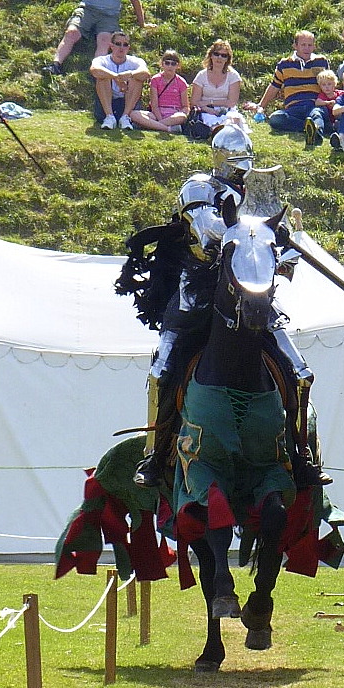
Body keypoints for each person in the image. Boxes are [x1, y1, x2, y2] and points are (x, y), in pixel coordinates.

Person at [126, 119, 319, 491]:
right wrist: (257, 230)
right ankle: (156, 454)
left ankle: (300, 454)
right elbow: (211, 232)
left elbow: (282, 247)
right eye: (237, 165)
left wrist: (283, 243)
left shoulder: (257, 197)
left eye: (246, 166)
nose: (242, 174)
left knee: (299, 372)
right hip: (196, 295)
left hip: (248, 294)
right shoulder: (198, 186)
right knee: (161, 372)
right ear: (222, 161)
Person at [259, 30, 330, 134]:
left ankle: (316, 132)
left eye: (310, 45)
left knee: (317, 114)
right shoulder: (285, 64)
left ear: (314, 46)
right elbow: (274, 86)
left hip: (315, 105)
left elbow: (330, 83)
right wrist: (260, 106)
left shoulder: (322, 61)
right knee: (275, 118)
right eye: (303, 45)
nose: (307, 48)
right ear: (295, 46)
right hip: (293, 108)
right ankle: (310, 128)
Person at [90, 31, 150, 129]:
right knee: (102, 78)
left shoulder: (135, 61)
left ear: (128, 47)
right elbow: (94, 70)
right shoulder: (102, 60)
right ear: (111, 46)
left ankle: (125, 117)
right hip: (106, 105)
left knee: (137, 79)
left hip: (128, 103)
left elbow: (146, 73)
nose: (121, 48)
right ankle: (109, 117)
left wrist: (131, 74)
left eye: (125, 45)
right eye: (118, 44)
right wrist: (116, 77)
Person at [130, 50, 190, 133]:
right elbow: (154, 105)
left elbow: (185, 106)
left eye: (173, 64)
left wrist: (182, 113)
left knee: (182, 117)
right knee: (134, 114)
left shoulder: (181, 82)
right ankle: (168, 129)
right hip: (157, 113)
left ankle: (150, 125)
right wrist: (160, 118)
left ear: (178, 66)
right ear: (162, 64)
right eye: (167, 63)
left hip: (174, 114)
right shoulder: (155, 80)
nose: (170, 66)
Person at [190, 40, 242, 129]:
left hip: (226, 111)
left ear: (227, 59)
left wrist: (210, 102)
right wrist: (208, 109)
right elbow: (194, 102)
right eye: (216, 54)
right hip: (205, 110)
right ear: (211, 56)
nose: (219, 58)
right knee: (216, 127)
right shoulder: (201, 75)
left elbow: (232, 102)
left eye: (224, 55)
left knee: (232, 121)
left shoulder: (233, 76)